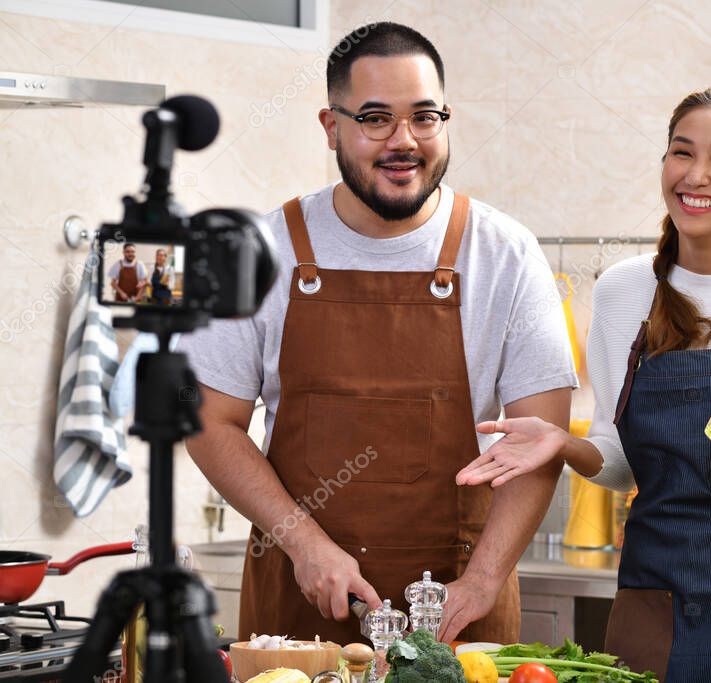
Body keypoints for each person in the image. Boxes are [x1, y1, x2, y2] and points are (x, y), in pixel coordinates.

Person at [179, 22, 576, 645]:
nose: (404, 141)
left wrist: (483, 581)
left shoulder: (506, 253)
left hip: (458, 608)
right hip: (299, 608)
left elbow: (537, 443)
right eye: (375, 118)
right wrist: (306, 546)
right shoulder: (260, 251)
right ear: (330, 125)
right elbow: (208, 421)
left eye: (425, 117)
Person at [456, 86, 711, 682]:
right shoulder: (623, 294)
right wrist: (562, 442)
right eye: (681, 152)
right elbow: (622, 463)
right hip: (654, 603)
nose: (696, 175)